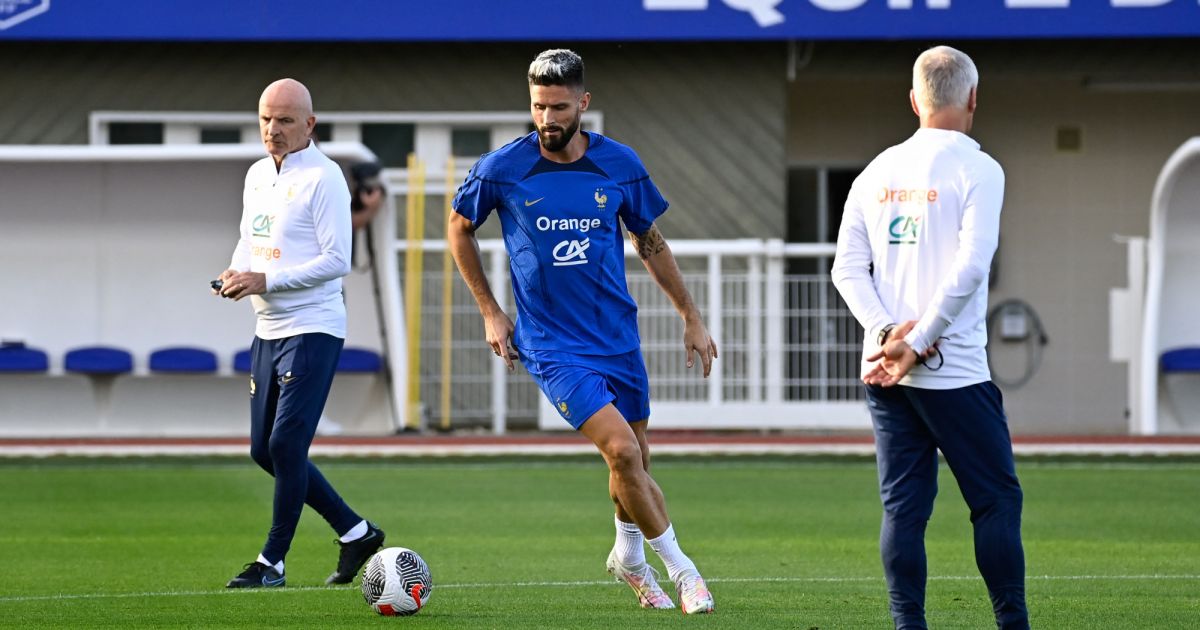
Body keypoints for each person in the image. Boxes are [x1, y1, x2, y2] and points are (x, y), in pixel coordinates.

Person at [447, 49, 717, 615]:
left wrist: (690, 316)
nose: (547, 119)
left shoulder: (619, 164)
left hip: (617, 337)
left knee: (636, 460)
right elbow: (459, 227)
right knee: (620, 449)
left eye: (559, 107)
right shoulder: (503, 167)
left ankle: (628, 556)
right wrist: (491, 312)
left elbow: (651, 243)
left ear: (584, 104)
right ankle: (684, 572)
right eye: (539, 107)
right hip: (550, 344)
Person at [831, 46, 1029, 629]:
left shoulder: (876, 170)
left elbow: (846, 268)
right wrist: (919, 340)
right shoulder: (980, 168)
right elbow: (973, 266)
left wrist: (888, 331)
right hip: (955, 369)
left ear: (915, 100)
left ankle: (907, 624)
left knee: (905, 510)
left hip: (885, 370)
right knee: (996, 501)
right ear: (972, 99)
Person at [214, 78, 384, 589]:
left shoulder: (326, 178)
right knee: (263, 452)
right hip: (267, 328)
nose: (274, 130)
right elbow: (251, 240)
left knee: (287, 444)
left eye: (286, 120)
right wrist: (234, 273)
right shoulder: (256, 175)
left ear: (309, 124)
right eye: (267, 119)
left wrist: (266, 279)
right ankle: (356, 532)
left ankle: (273, 563)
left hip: (313, 326)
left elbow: (338, 260)